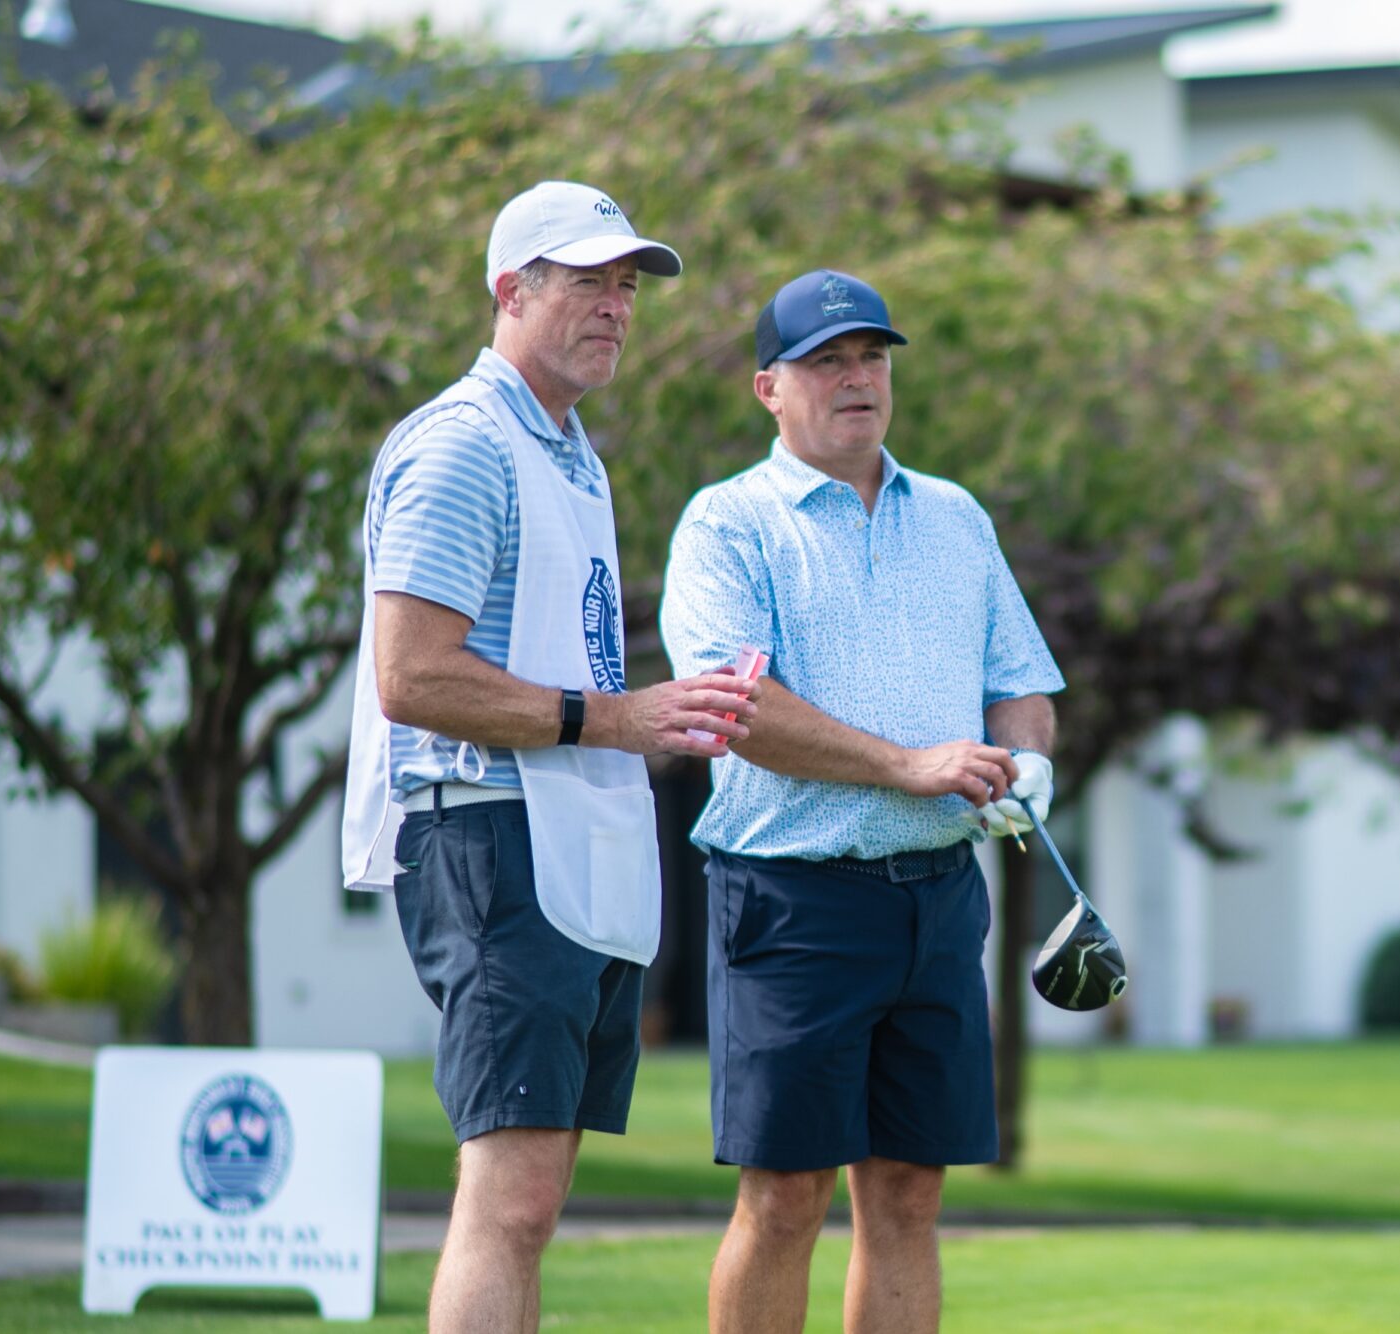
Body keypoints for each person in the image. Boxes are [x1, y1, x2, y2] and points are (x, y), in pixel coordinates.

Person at [340, 180, 761, 1333]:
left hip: (566, 838)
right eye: (586, 280)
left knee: (536, 1194)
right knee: (510, 1194)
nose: (616, 306)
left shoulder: (572, 452)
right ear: (508, 290)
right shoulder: (462, 446)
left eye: (626, 286)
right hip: (485, 831)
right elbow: (411, 675)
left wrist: (657, 718)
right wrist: (617, 718)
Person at [660, 268, 1065, 1333]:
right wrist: (908, 764)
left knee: (907, 1193)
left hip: (936, 895)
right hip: (791, 901)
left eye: (871, 358)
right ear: (767, 389)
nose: (857, 378)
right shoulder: (726, 524)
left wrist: (1028, 768)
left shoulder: (955, 515)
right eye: (826, 361)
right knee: (785, 1192)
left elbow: (1018, 677)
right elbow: (735, 708)